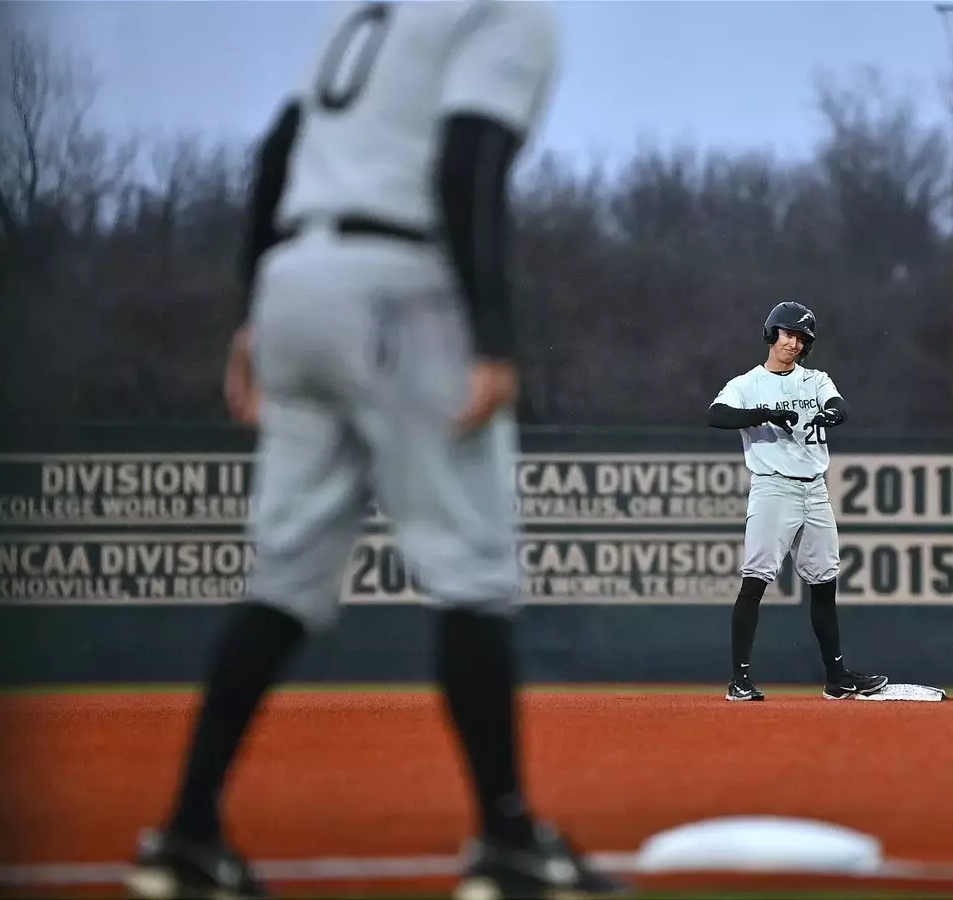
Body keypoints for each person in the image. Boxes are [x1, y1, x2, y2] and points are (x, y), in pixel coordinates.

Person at [124, 2, 626, 898]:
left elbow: (276, 152)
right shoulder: (505, 13)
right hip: (400, 286)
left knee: (284, 578)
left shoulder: (372, 12)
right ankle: (509, 841)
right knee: (472, 571)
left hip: (295, 276)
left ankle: (187, 833)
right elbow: (469, 163)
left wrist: (255, 310)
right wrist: (493, 339)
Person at [706, 301, 890, 703]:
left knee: (825, 581)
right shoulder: (749, 383)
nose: (794, 344)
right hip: (773, 486)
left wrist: (832, 415)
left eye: (802, 339)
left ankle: (836, 677)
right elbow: (716, 414)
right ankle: (739, 680)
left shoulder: (815, 380)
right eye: (789, 334)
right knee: (755, 579)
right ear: (772, 334)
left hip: (815, 488)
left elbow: (838, 406)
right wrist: (763, 413)